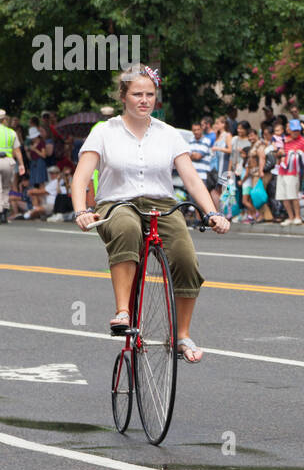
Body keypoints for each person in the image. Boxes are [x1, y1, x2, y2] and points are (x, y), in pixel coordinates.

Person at [72, 65, 229, 364]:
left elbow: (192, 179)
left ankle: (181, 335)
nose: (144, 100)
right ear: (123, 97)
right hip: (116, 203)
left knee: (184, 256)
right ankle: (122, 312)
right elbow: (80, 178)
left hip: (161, 204)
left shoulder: (169, 134)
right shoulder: (104, 132)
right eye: (137, 94)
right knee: (127, 227)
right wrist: (81, 211)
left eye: (150, 94)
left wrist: (212, 213)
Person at [276, 118, 304, 227]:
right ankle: (290, 217)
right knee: (284, 196)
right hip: (282, 171)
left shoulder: (302, 141)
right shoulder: (283, 140)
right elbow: (277, 155)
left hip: (293, 172)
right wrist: (280, 154)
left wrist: (295, 154)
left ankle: (297, 217)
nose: (296, 132)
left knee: (293, 195)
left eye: (298, 130)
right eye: (294, 130)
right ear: (289, 129)